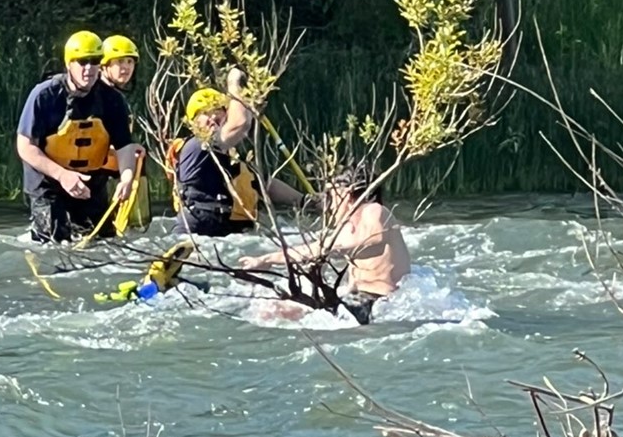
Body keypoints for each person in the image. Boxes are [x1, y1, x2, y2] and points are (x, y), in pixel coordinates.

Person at [16, 30, 143, 243]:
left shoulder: (112, 99)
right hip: (48, 183)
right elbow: (25, 146)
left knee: (103, 241)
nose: (89, 69)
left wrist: (127, 177)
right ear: (69, 64)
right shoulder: (44, 95)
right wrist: (63, 175)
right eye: (82, 62)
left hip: (89, 182)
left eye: (95, 62)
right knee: (55, 240)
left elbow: (124, 146)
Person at [239, 168, 411, 325]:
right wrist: (266, 260)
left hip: (381, 300)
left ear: (347, 192)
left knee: (283, 312)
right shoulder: (346, 225)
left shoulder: (374, 210)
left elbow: (375, 243)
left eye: (331, 194)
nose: (328, 201)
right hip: (355, 296)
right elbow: (314, 249)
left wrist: (333, 251)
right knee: (272, 309)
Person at [167, 67, 307, 236]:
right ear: (193, 123)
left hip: (229, 233)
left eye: (217, 111)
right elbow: (240, 124)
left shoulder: (230, 158)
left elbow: (264, 185)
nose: (212, 118)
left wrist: (307, 202)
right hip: (196, 231)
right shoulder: (197, 145)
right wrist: (234, 83)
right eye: (204, 114)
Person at [95, 34, 151, 233]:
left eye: (130, 62)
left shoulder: (117, 97)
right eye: (119, 62)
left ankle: (136, 225)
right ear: (104, 65)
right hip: (97, 174)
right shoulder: (97, 95)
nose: (126, 67)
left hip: (116, 172)